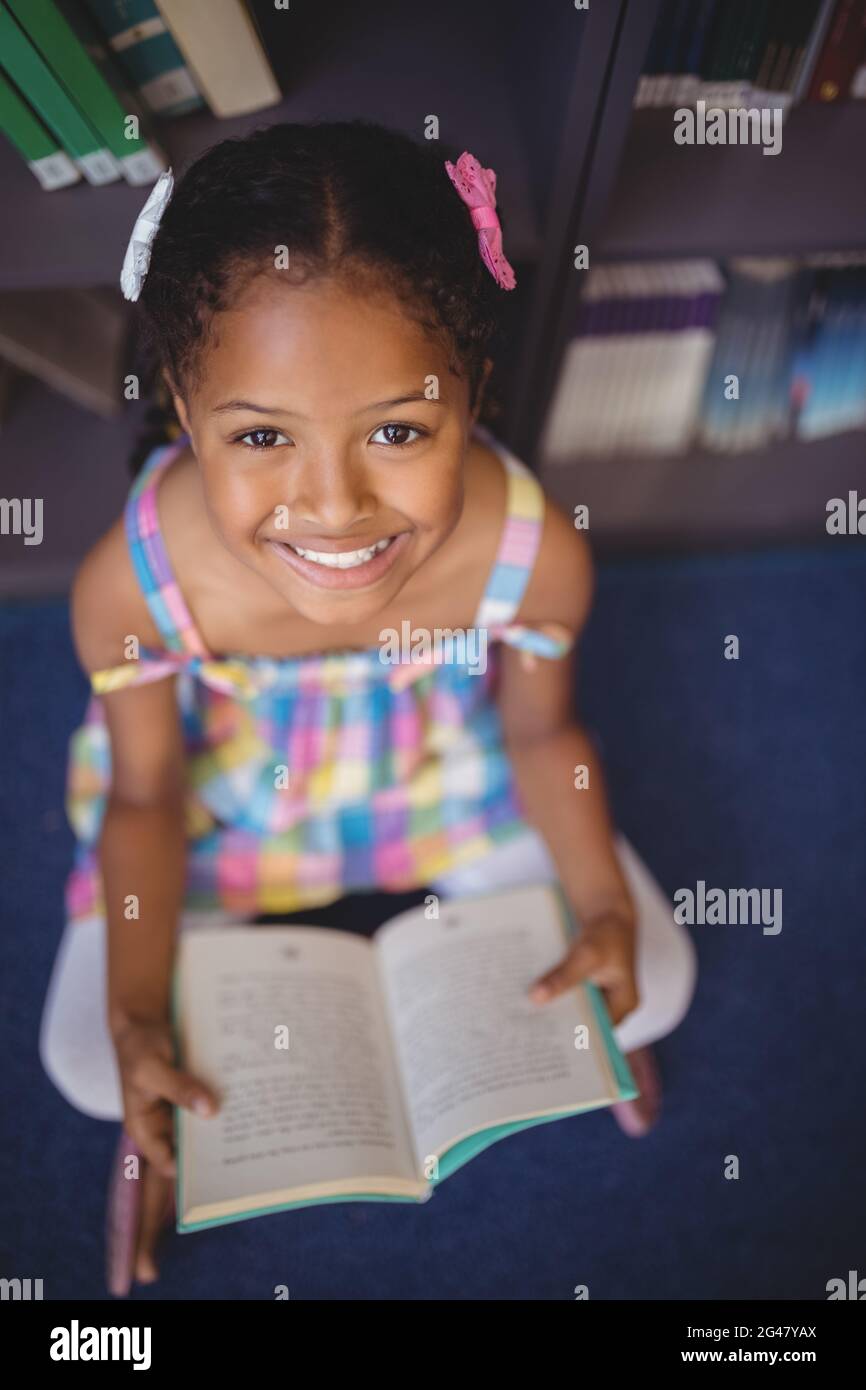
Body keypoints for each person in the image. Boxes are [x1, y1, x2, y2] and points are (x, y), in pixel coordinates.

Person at [39, 122, 696, 1287]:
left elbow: (544, 733)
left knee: (659, 975)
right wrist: (140, 1010)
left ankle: (594, 1020)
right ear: (186, 416)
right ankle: (155, 1114)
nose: (333, 507)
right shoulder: (132, 581)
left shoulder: (529, 551)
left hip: (444, 775)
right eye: (258, 437)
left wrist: (596, 900)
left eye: (397, 430)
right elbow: (145, 788)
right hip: (226, 804)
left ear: (471, 392)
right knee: (92, 1059)